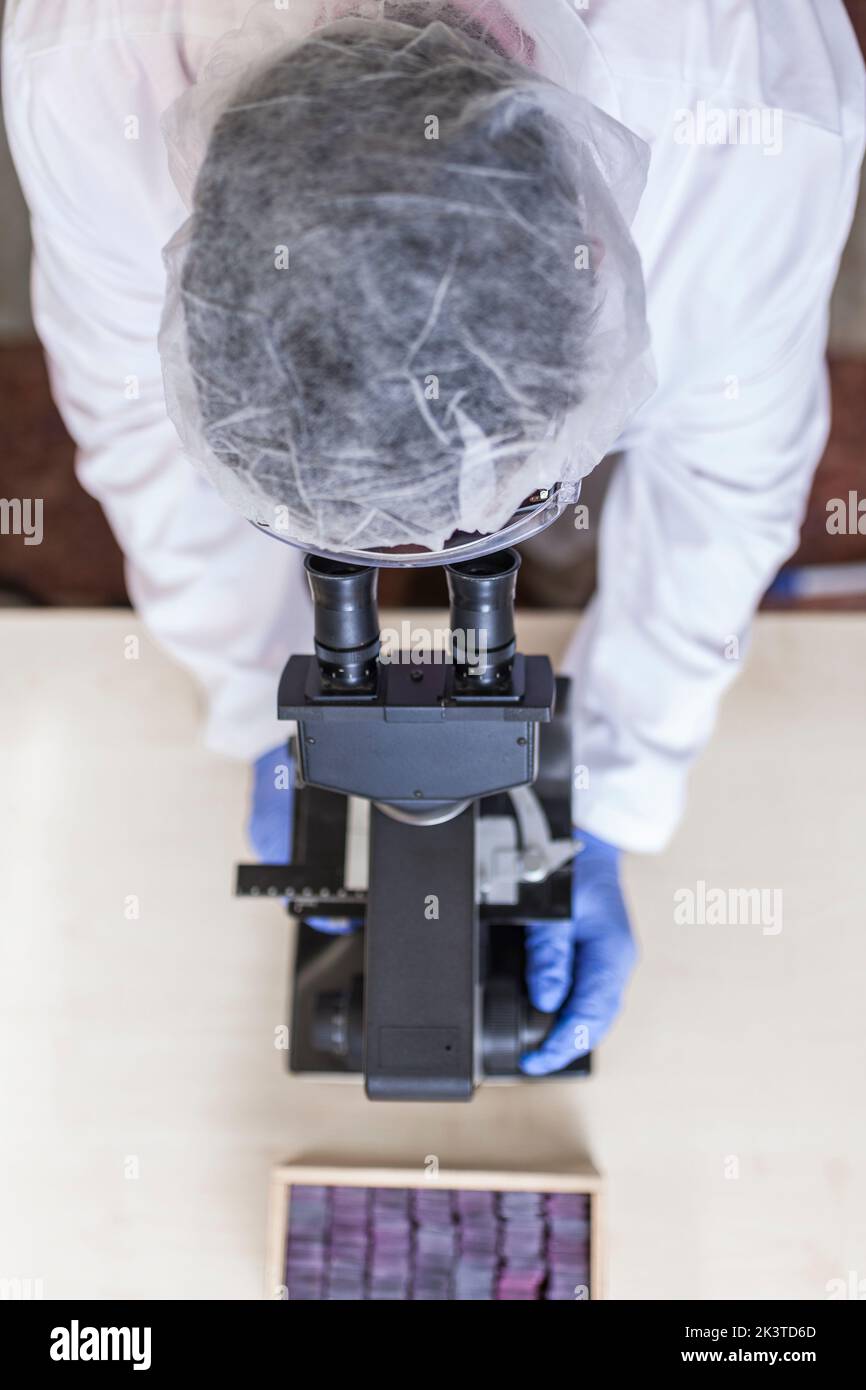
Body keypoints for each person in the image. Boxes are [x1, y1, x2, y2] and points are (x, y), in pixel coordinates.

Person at [4, 0, 864, 1076]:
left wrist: (621, 778)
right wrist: (249, 690)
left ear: (596, 249)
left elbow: (725, 462)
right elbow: (136, 408)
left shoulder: (750, 109)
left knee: (566, 533)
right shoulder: (92, 75)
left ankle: (547, 537)